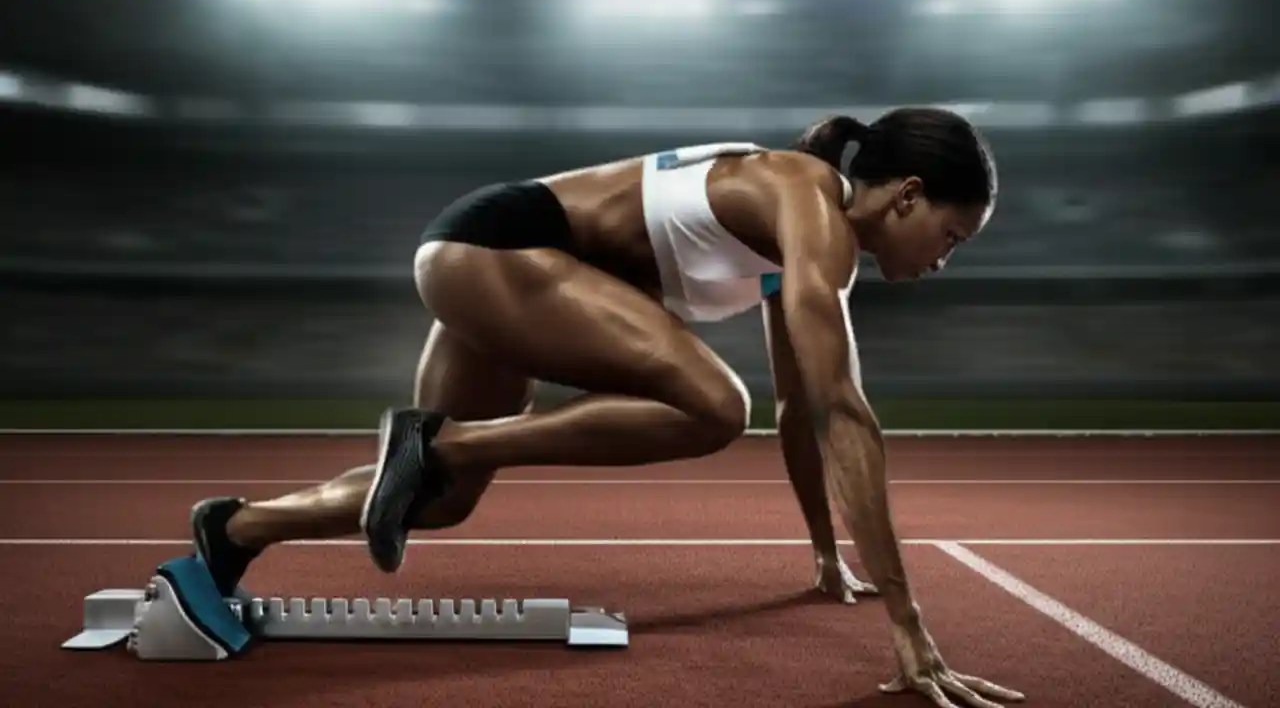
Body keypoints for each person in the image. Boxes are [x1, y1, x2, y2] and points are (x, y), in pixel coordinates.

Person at [191, 108, 1022, 707]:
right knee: (712, 406)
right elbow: (849, 414)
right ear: (908, 195)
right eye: (952, 238)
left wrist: (824, 554)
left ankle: (231, 533)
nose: (943, 262)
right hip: (500, 250)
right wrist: (910, 629)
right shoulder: (808, 202)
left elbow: (806, 411)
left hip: (489, 263)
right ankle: (442, 446)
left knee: (436, 502)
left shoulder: (792, 249)